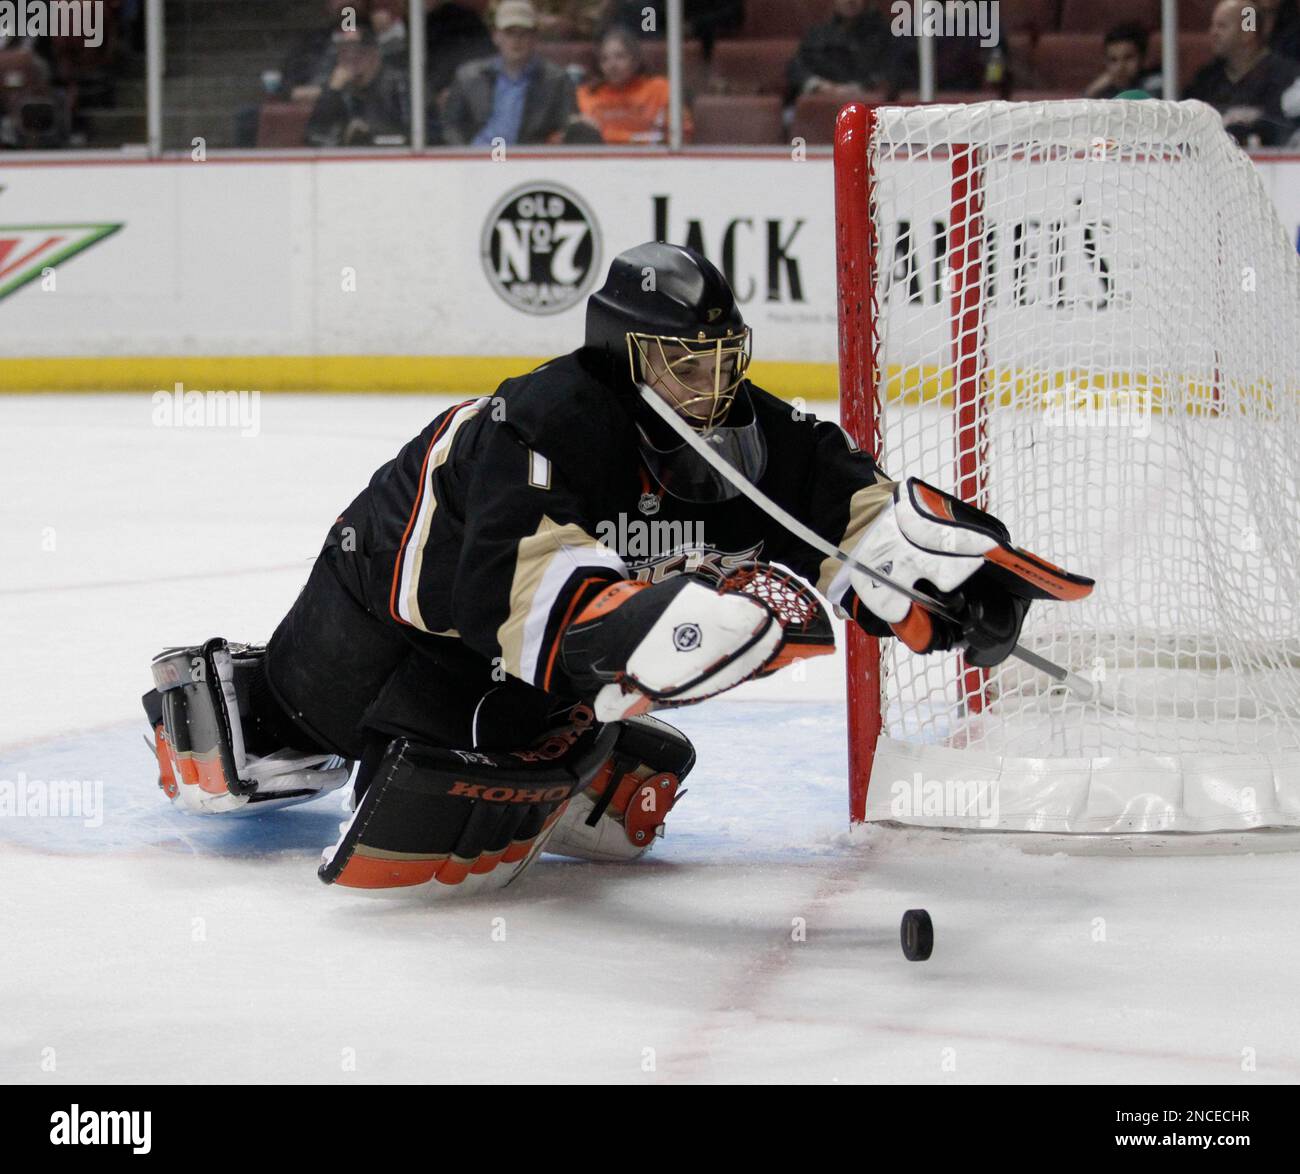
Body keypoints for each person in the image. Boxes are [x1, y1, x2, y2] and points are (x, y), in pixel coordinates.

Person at [142, 241, 1091, 897]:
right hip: (379, 627)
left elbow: (843, 505)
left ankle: (549, 746)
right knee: (349, 712)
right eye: (684, 366)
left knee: (553, 709)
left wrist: (926, 582)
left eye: (721, 363)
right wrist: (679, 621)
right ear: (622, 354)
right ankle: (250, 713)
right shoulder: (549, 420)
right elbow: (517, 601)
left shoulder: (740, 431)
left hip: (494, 662)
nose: (710, 390)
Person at [442, 0, 576, 145]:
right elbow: (450, 125)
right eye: (509, 33)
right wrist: (464, 156)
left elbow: (567, 127)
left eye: (523, 33)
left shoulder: (556, 80)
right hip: (476, 160)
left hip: (528, 162)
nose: (516, 40)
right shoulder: (468, 76)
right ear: (496, 36)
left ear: (535, 37)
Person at [1186, 0, 1299, 146]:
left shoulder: (1286, 77)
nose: (1213, 32)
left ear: (1247, 33)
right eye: (1213, 25)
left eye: (1221, 26)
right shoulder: (1207, 78)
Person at [573, 24, 692, 143]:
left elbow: (681, 134)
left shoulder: (660, 89)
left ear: (635, 60)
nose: (612, 65)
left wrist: (615, 136)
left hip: (651, 159)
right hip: (600, 160)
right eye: (604, 59)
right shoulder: (585, 95)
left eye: (620, 57)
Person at [305, 24, 411, 146]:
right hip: (348, 161)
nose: (350, 57)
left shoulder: (399, 84)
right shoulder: (339, 88)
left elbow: (415, 134)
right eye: (344, 51)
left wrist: (371, 132)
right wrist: (332, 91)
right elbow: (313, 134)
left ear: (375, 53)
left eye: (358, 51)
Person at [787, 0, 902, 103]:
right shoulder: (817, 34)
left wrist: (858, 87)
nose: (850, 1)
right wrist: (820, 85)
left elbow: (889, 71)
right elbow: (796, 68)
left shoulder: (884, 36)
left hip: (865, 99)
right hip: (822, 98)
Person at [1083, 22, 1164, 100]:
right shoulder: (1104, 90)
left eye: (1128, 58)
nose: (1120, 67)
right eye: (1113, 60)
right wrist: (1091, 92)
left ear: (1144, 58)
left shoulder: (1157, 83)